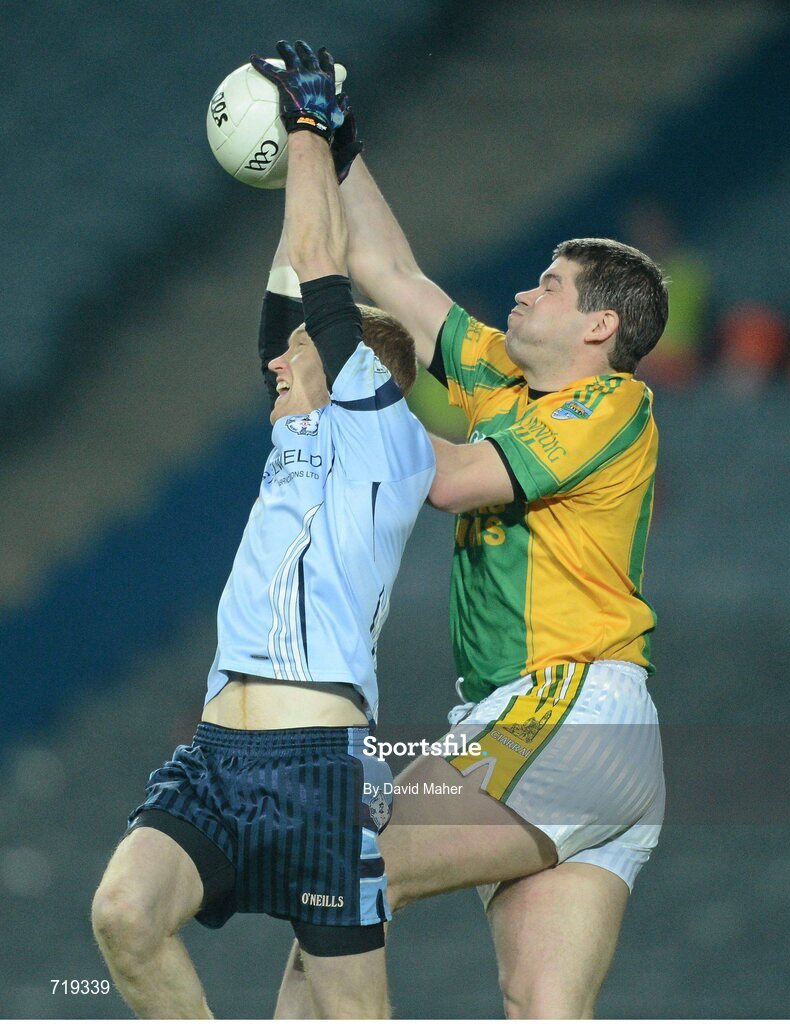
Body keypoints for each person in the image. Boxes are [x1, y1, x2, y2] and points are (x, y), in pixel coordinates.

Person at [276, 82, 670, 1019]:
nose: (527, 290)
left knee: (348, 873)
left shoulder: (608, 403)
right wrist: (337, 142)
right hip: (589, 739)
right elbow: (391, 270)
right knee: (543, 1009)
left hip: (566, 710)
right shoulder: (501, 372)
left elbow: (451, 480)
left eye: (551, 284)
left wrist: (351, 380)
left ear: (599, 328)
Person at [90, 41, 434, 1019]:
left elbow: (322, 270)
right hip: (212, 762)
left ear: (358, 369)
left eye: (296, 356)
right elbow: (293, 289)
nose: (274, 370)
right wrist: (315, 150)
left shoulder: (378, 419)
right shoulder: (308, 430)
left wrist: (306, 125)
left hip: (316, 773)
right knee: (122, 912)